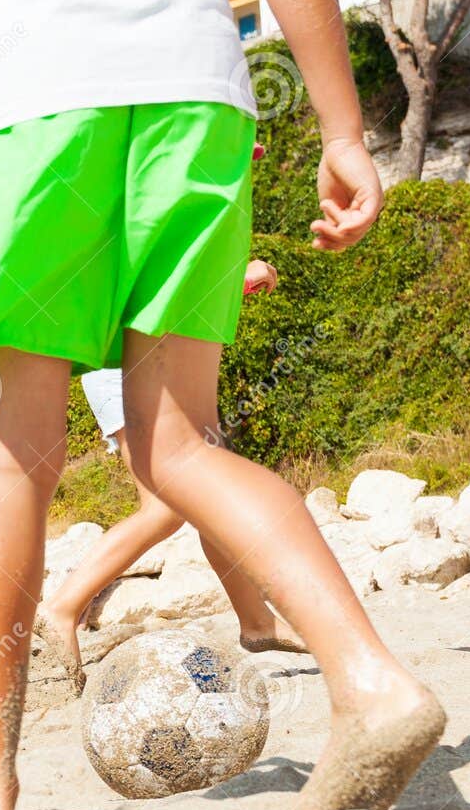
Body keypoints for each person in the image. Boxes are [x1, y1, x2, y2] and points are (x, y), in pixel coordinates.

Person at [0, 0, 446, 810]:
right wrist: (341, 130)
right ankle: (370, 679)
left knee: (11, 459)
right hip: (196, 96)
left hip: (36, 104)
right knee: (179, 443)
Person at [35, 257, 307, 690]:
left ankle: (257, 623)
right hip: (129, 364)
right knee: (167, 508)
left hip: (144, 362)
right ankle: (62, 607)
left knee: (206, 499)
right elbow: (159, 268)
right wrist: (232, 271)